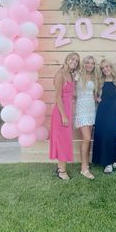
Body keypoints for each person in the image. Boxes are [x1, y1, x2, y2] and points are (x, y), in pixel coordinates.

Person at [49, 52, 80, 180]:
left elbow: (69, 94)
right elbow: (58, 97)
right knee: (62, 140)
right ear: (67, 59)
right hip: (60, 112)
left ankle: (60, 167)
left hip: (68, 110)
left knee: (65, 139)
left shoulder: (71, 75)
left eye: (77, 61)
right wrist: (64, 116)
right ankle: (62, 171)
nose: (74, 62)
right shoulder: (60, 75)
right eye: (72, 59)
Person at [92, 59, 116, 174]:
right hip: (103, 113)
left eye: (107, 67)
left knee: (114, 135)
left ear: (111, 67)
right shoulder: (100, 81)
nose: (105, 69)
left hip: (115, 113)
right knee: (105, 136)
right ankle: (107, 163)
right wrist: (98, 99)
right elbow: (93, 93)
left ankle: (115, 159)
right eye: (103, 68)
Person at [75, 55, 98, 179]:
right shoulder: (77, 75)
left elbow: (92, 94)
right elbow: (71, 91)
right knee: (87, 138)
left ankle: (86, 164)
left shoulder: (94, 77)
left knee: (88, 140)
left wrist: (98, 99)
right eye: (88, 63)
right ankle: (84, 168)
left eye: (92, 63)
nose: (90, 65)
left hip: (91, 109)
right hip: (81, 109)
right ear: (84, 64)